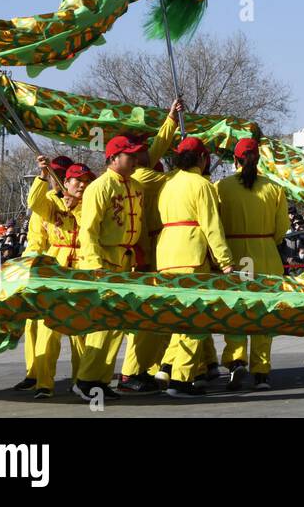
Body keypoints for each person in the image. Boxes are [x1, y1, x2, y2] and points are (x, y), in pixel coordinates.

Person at [73, 134, 151, 402]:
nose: (136, 160)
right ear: (114, 158)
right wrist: (96, 267)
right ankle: (85, 380)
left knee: (116, 325)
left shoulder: (137, 187)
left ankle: (101, 380)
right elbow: (88, 231)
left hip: (126, 264)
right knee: (102, 325)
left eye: (136, 155)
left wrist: (143, 260)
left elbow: (139, 229)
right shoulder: (99, 187)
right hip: (104, 263)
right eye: (130, 156)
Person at [156, 137, 235, 397]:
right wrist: (225, 261)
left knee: (179, 316)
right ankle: (181, 379)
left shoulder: (167, 184)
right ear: (202, 159)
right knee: (196, 319)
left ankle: (167, 365)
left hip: (166, 255)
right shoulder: (202, 185)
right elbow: (212, 226)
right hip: (191, 255)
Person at [118, 101, 184, 394]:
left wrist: (170, 120)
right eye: (139, 150)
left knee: (153, 318)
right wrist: (191, 168)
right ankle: (131, 372)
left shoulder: (139, 170)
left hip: (149, 253)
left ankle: (149, 368)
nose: (149, 151)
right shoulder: (143, 176)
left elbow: (156, 149)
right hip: (142, 256)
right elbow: (175, 178)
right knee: (144, 319)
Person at [218, 137, 289, 391]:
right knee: (263, 314)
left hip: (235, 256)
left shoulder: (222, 187)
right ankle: (262, 372)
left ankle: (237, 361)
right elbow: (282, 230)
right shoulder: (274, 188)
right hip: (266, 255)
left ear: (235, 160)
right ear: (258, 160)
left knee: (237, 311)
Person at [16, 157, 89, 399]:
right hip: (53, 269)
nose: (81, 185)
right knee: (47, 329)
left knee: (81, 330)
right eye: (76, 181)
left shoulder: (90, 202)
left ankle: (82, 380)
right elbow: (33, 202)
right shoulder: (48, 203)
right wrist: (41, 176)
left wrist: (77, 205)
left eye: (85, 181)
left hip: (81, 271)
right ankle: (42, 382)